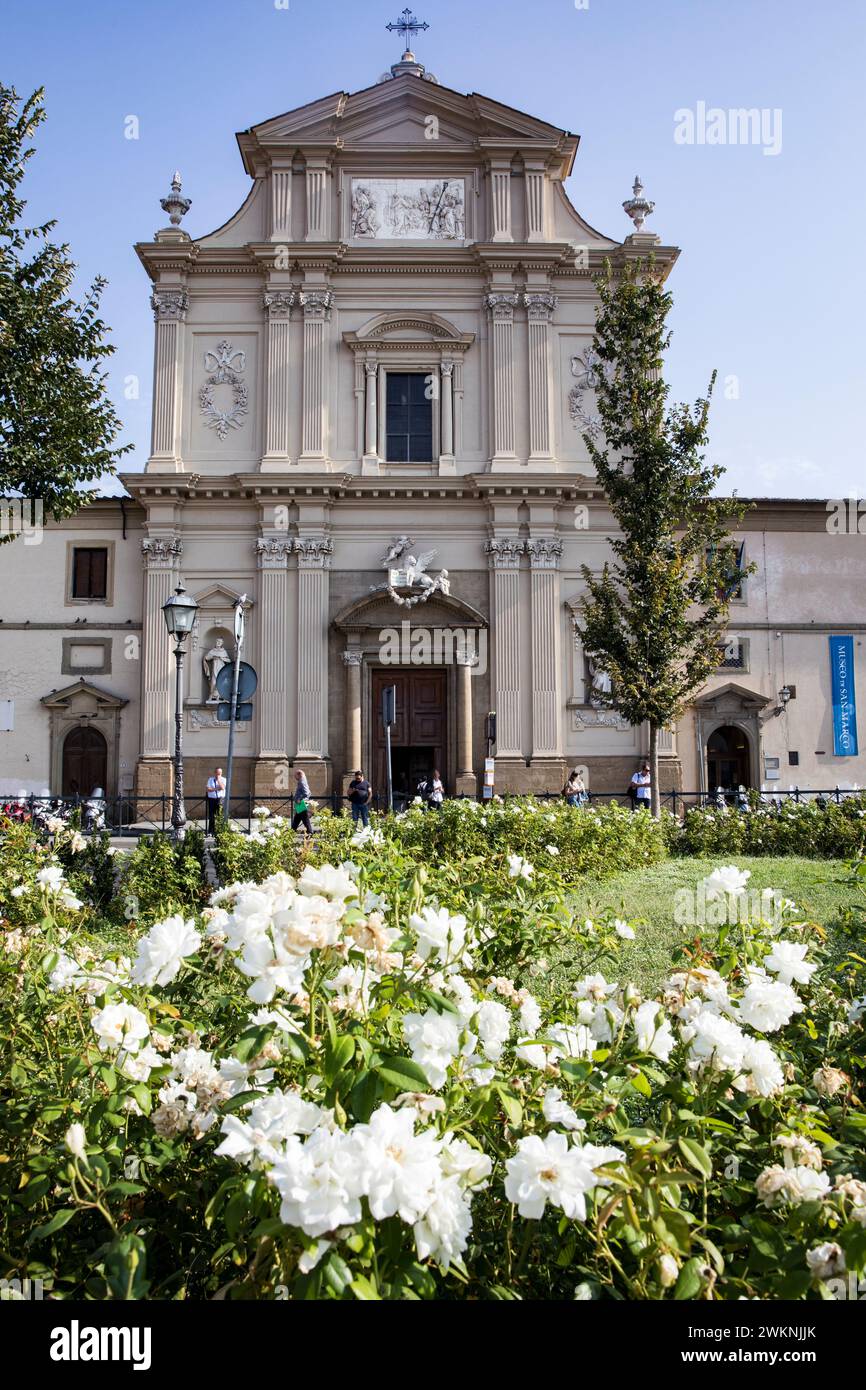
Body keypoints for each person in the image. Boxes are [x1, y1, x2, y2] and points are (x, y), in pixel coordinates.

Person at [206, 766, 226, 833]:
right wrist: (216, 789)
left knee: (220, 815)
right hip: (211, 799)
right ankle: (211, 830)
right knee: (211, 815)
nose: (218, 774)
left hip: (220, 799)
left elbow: (223, 787)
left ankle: (219, 830)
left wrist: (219, 780)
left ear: (221, 773)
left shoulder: (223, 779)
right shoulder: (210, 779)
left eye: (219, 773)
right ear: (215, 773)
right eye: (217, 773)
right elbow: (208, 789)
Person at [292, 770, 313, 835]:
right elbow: (309, 792)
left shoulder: (302, 781)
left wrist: (300, 799)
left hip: (301, 803)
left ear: (299, 774)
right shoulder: (303, 780)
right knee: (297, 818)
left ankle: (310, 832)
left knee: (305, 818)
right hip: (301, 803)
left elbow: (306, 793)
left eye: (295, 775)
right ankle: (292, 831)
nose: (295, 777)